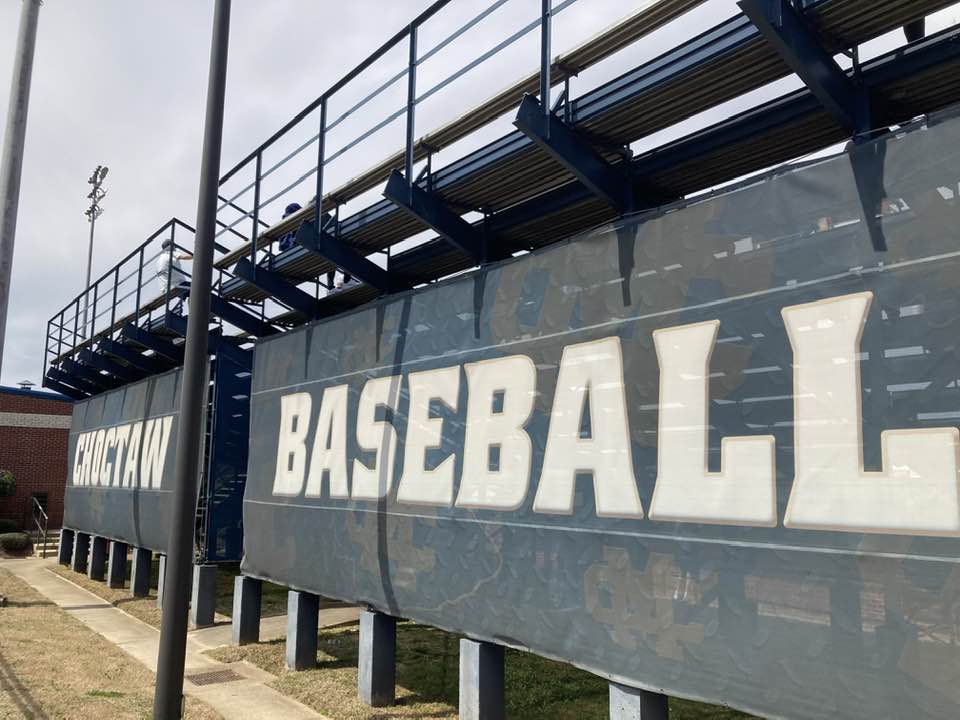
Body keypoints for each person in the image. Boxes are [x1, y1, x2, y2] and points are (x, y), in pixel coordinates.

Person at [156, 239, 193, 313]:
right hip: (178, 284)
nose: (175, 248)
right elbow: (185, 256)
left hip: (166, 288)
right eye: (174, 247)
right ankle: (195, 312)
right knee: (199, 287)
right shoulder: (170, 253)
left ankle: (193, 312)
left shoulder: (159, 260)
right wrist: (195, 254)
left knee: (192, 293)